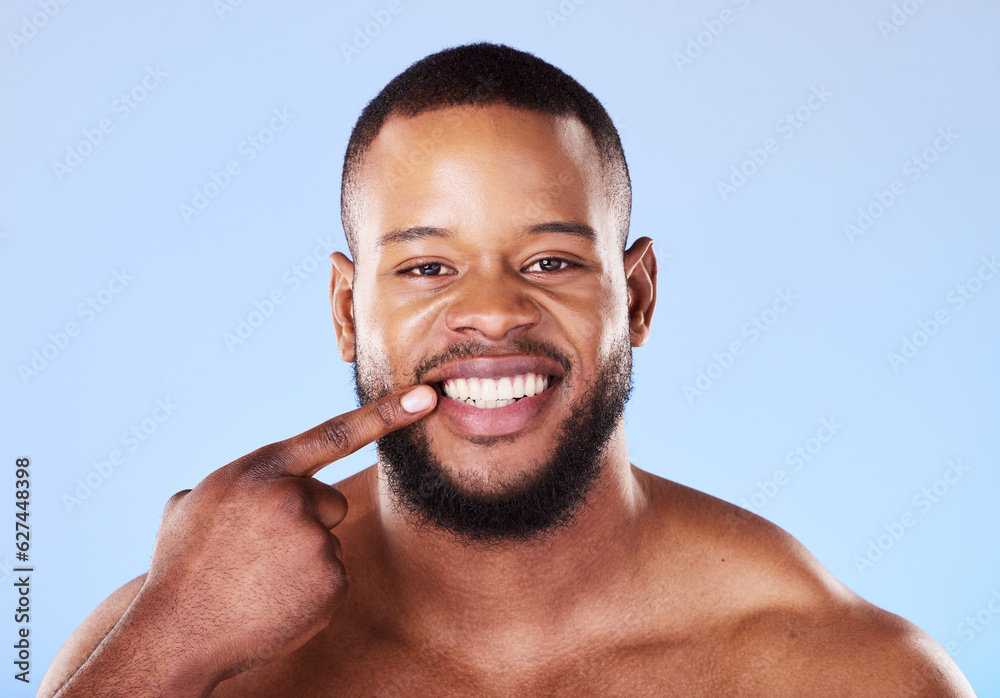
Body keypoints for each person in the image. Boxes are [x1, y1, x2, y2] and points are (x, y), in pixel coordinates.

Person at [40, 42, 974, 697]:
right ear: (343, 310)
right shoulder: (166, 649)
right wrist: (166, 649)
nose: (490, 310)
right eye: (427, 267)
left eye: (552, 261)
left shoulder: (848, 675)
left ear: (638, 297)